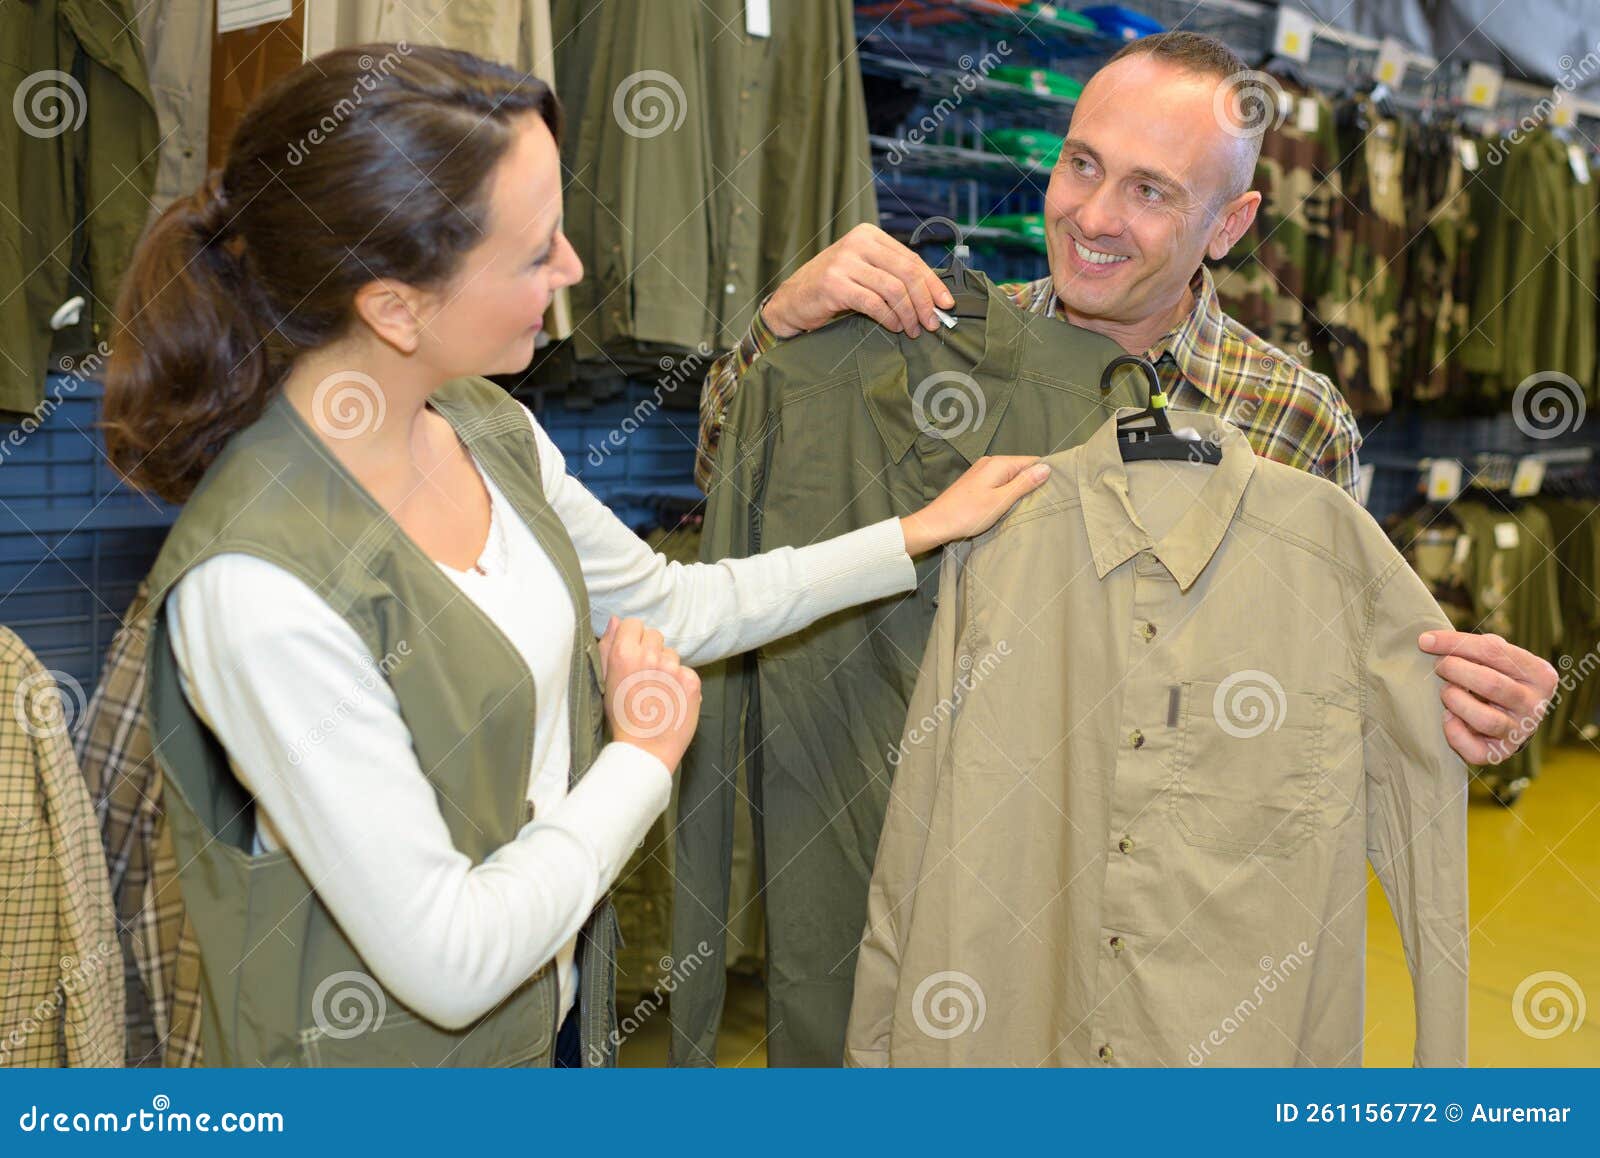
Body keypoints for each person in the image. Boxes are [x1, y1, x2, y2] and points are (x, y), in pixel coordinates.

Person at [100, 44, 1049, 1068]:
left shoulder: (487, 430)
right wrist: (641, 755)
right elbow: (451, 958)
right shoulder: (257, 589)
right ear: (394, 306)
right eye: (534, 252)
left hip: (552, 1033)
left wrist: (913, 533)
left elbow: (673, 605)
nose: (573, 271)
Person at [697, 31, 1557, 766]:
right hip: (924, 842)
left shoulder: (1294, 419)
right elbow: (737, 490)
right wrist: (776, 329)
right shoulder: (930, 340)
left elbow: (1309, 685)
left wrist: (1453, 712)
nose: (1093, 216)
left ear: (1229, 225)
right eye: (1082, 165)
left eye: (1149, 190)